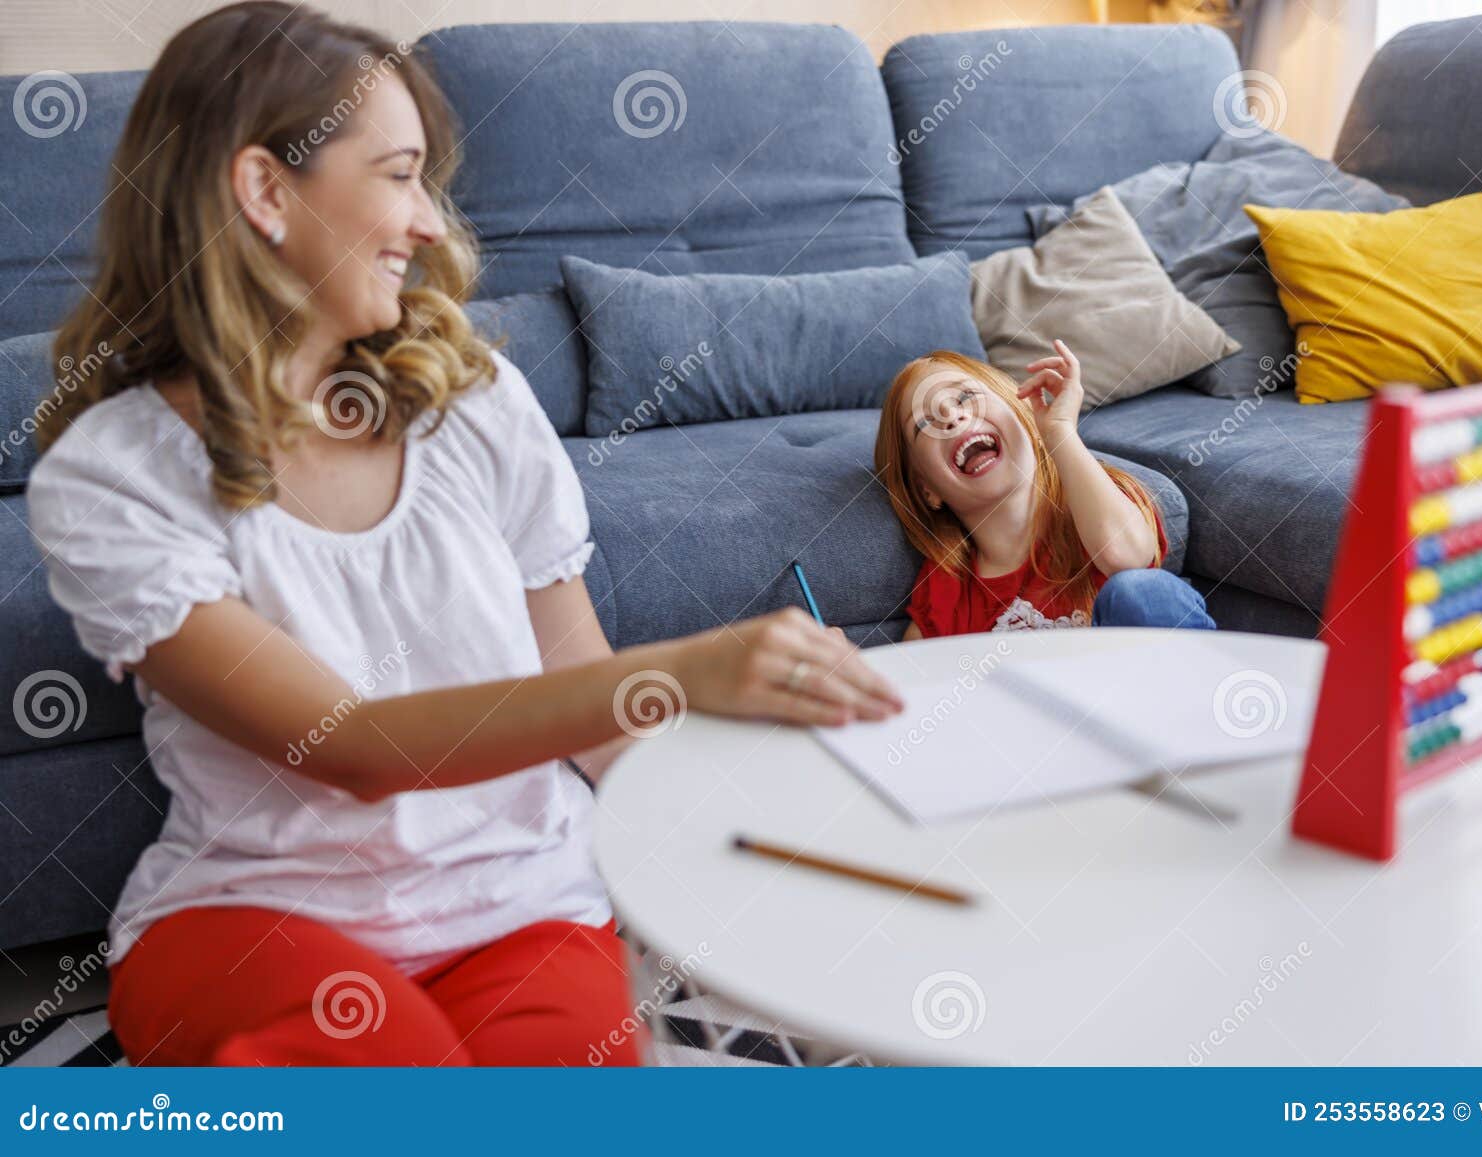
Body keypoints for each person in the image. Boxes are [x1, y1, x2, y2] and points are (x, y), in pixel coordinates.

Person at [25, 1, 901, 1067]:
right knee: (396, 1065)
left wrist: (744, 838)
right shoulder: (111, 474)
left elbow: (575, 675)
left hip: (518, 906)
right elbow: (348, 746)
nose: (430, 223)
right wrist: (687, 669)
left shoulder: (473, 400)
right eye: (396, 174)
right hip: (250, 915)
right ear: (264, 190)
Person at [873, 341, 1215, 638]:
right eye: (924, 424)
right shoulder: (946, 590)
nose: (951, 416)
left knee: (1140, 590)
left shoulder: (1095, 504)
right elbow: (914, 689)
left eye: (966, 397)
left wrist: (1060, 433)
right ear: (926, 490)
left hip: (1151, 695)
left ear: (1026, 419)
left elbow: (1125, 558)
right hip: (1041, 712)